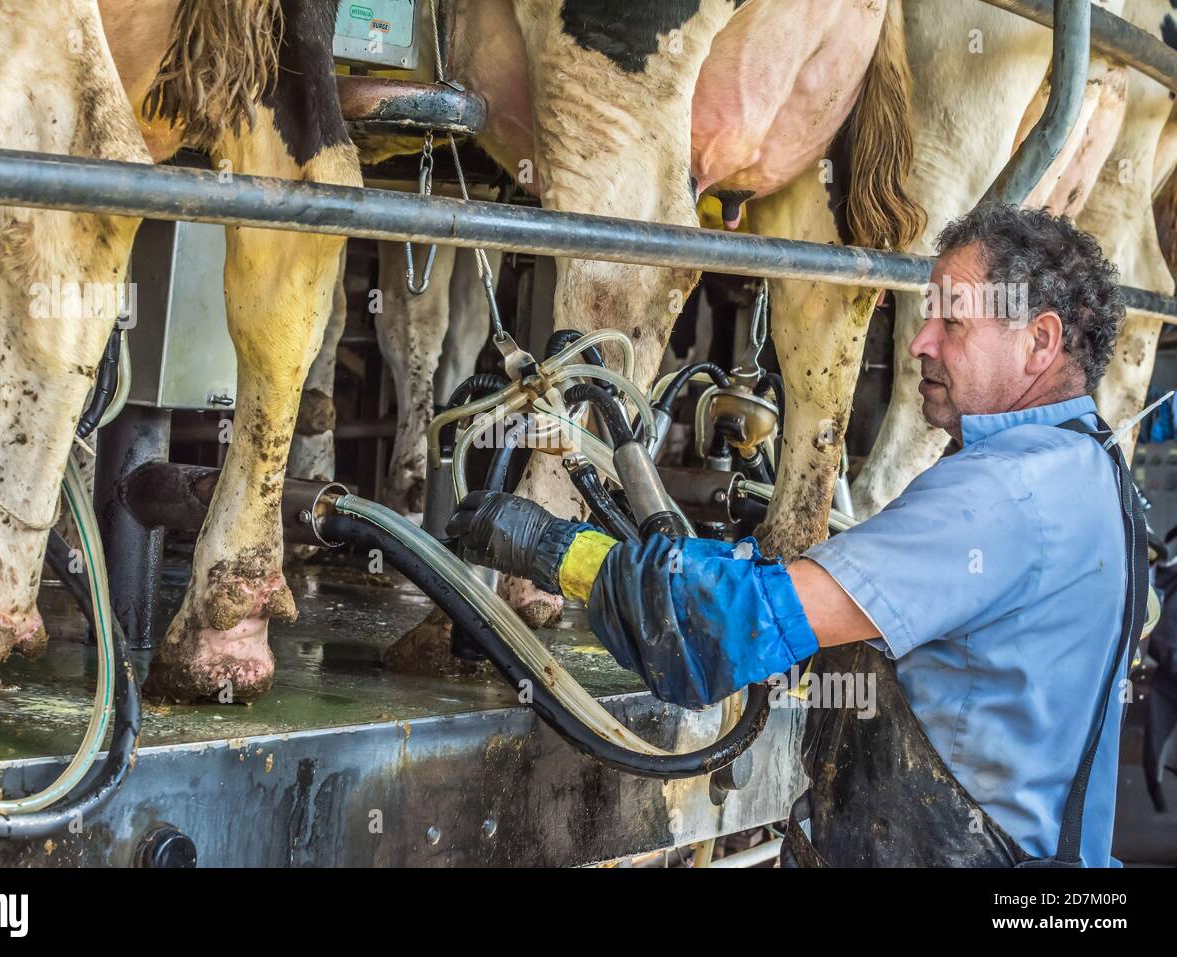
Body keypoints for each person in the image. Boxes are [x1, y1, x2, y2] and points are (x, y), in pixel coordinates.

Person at [448, 205, 1146, 867]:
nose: (919, 342)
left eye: (951, 322)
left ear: (1040, 342)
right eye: (926, 314)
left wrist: (555, 549)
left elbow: (730, 624)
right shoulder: (1094, 469)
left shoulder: (1003, 494)